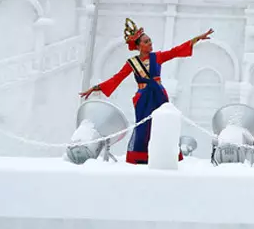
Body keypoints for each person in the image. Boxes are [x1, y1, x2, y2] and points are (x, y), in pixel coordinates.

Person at [80, 18, 213, 164]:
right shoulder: (132, 63)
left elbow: (175, 52)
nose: (150, 43)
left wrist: (196, 39)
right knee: (143, 127)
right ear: (138, 46)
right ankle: (142, 156)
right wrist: (95, 88)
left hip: (159, 95)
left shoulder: (157, 57)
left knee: (163, 123)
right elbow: (117, 78)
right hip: (143, 98)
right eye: (146, 42)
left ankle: (166, 154)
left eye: (150, 40)